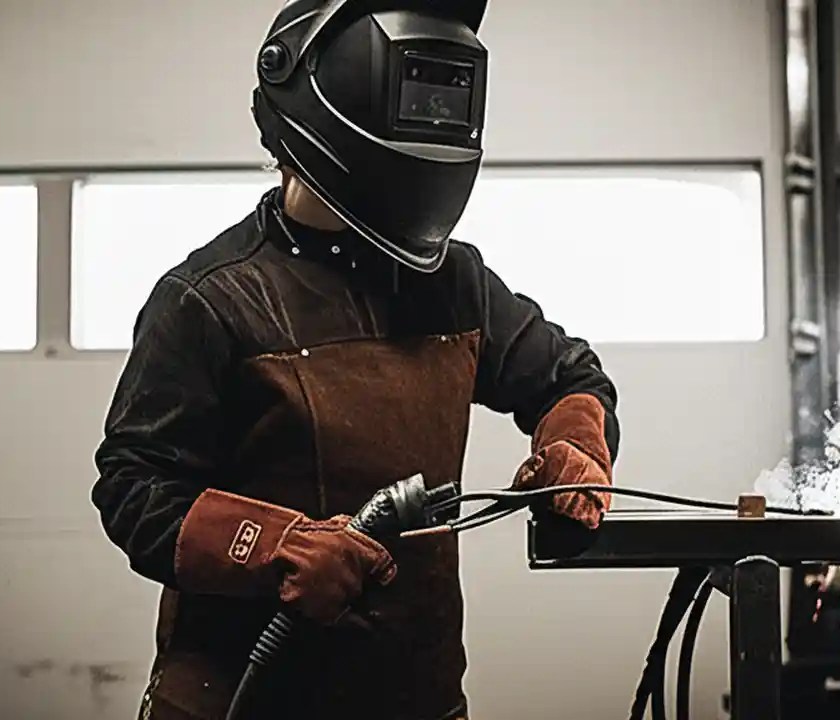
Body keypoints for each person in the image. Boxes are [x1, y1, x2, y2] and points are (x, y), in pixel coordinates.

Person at [90, 2, 619, 718]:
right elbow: (133, 489)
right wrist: (276, 548)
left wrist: (574, 446)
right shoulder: (211, 300)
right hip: (243, 698)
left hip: (415, 696)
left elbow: (567, 377)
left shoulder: (452, 283)